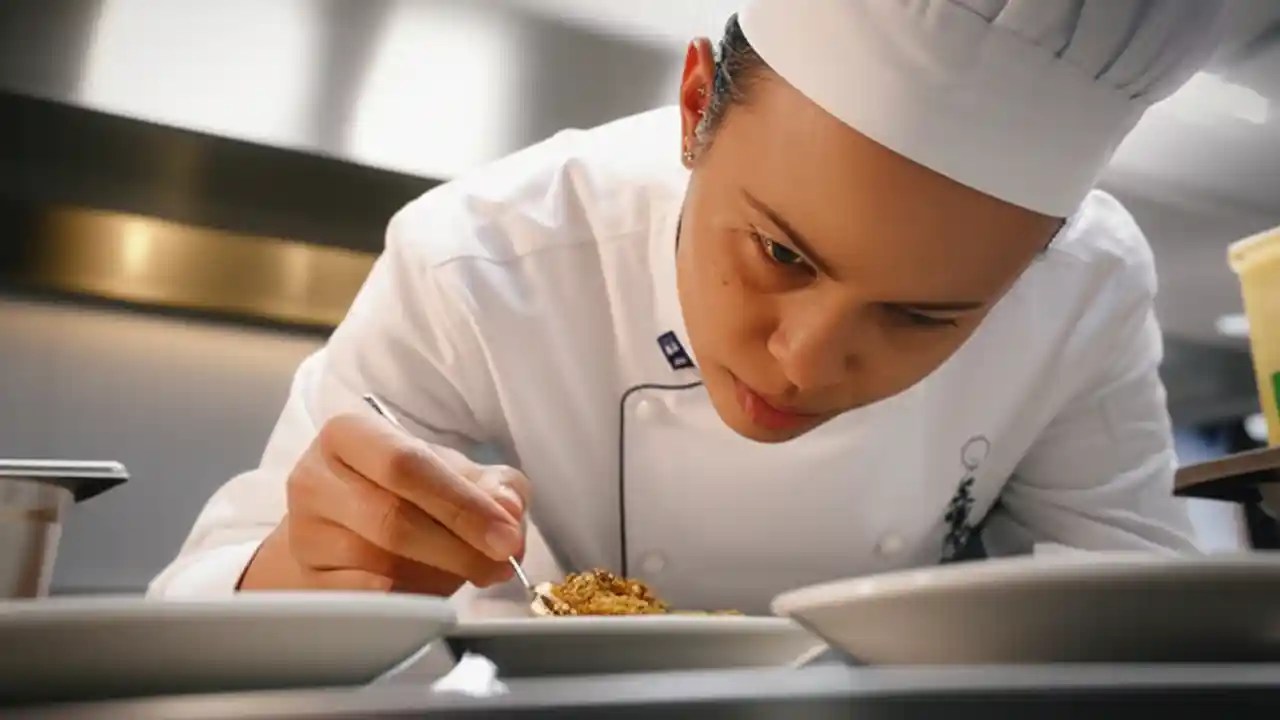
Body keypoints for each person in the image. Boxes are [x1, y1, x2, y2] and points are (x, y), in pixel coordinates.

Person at [151, 0, 1228, 615]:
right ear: (693, 105)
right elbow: (196, 606)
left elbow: (1132, 618)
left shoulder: (1086, 288)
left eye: (921, 317)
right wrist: (314, 565)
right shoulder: (481, 258)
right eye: (779, 253)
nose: (804, 362)